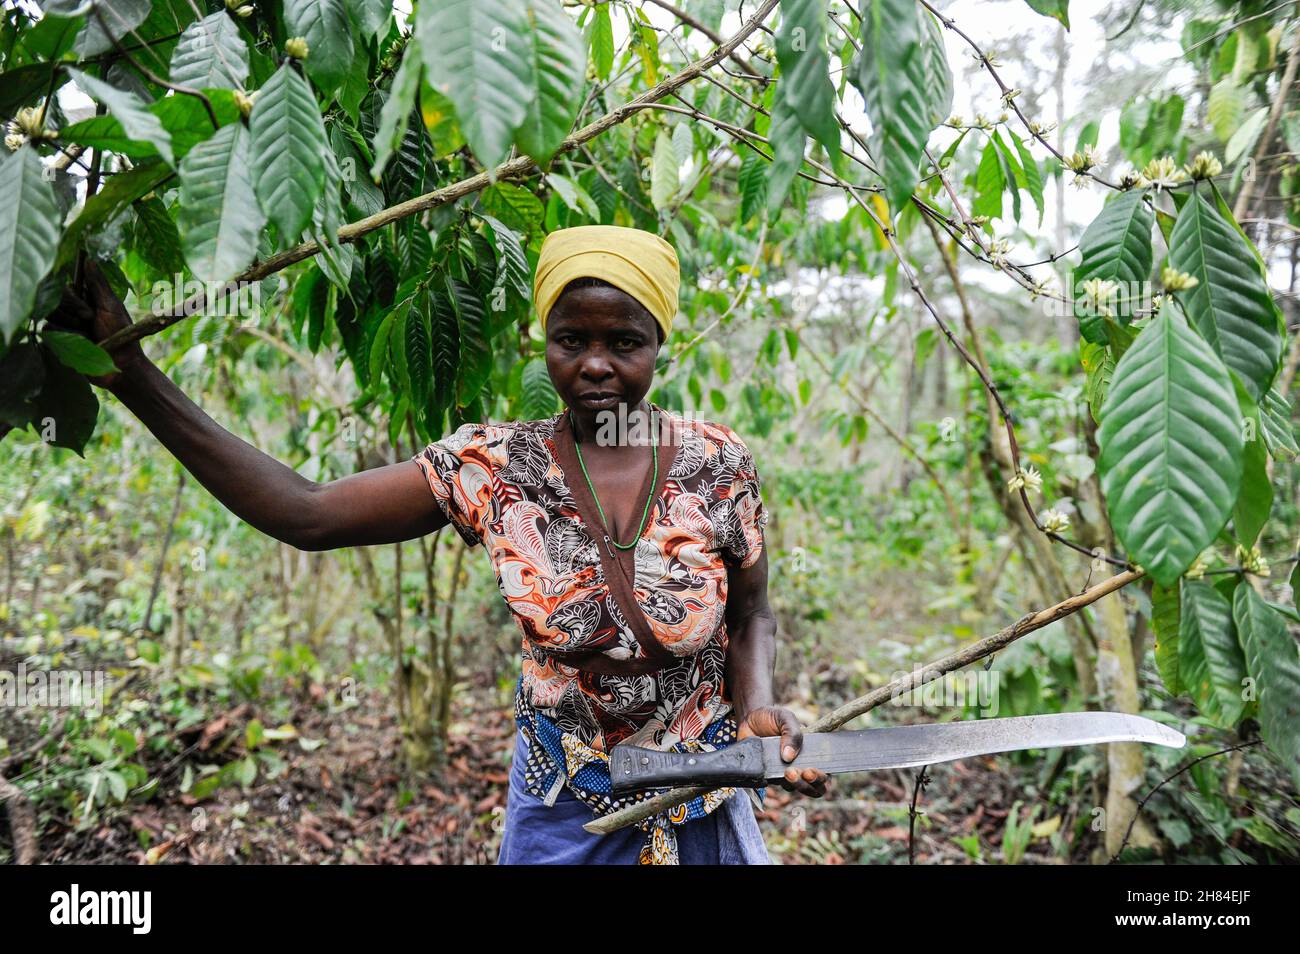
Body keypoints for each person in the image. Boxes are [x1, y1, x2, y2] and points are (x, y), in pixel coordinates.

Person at [59, 223, 828, 865]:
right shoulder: (495, 468)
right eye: (571, 340)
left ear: (660, 341)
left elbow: (751, 613)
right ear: (545, 344)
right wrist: (131, 375)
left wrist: (758, 707)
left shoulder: (717, 463)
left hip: (703, 794)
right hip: (568, 808)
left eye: (624, 340)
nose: (595, 364)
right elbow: (308, 512)